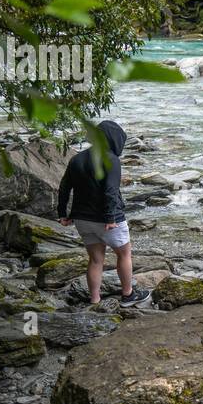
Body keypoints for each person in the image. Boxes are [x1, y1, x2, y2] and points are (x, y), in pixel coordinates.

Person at [57, 120, 150, 307]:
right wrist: (110, 217)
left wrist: (62, 213)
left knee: (96, 259)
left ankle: (95, 300)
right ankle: (128, 295)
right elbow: (110, 190)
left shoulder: (76, 159)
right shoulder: (111, 159)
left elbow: (64, 187)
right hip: (107, 219)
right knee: (124, 255)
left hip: (82, 218)